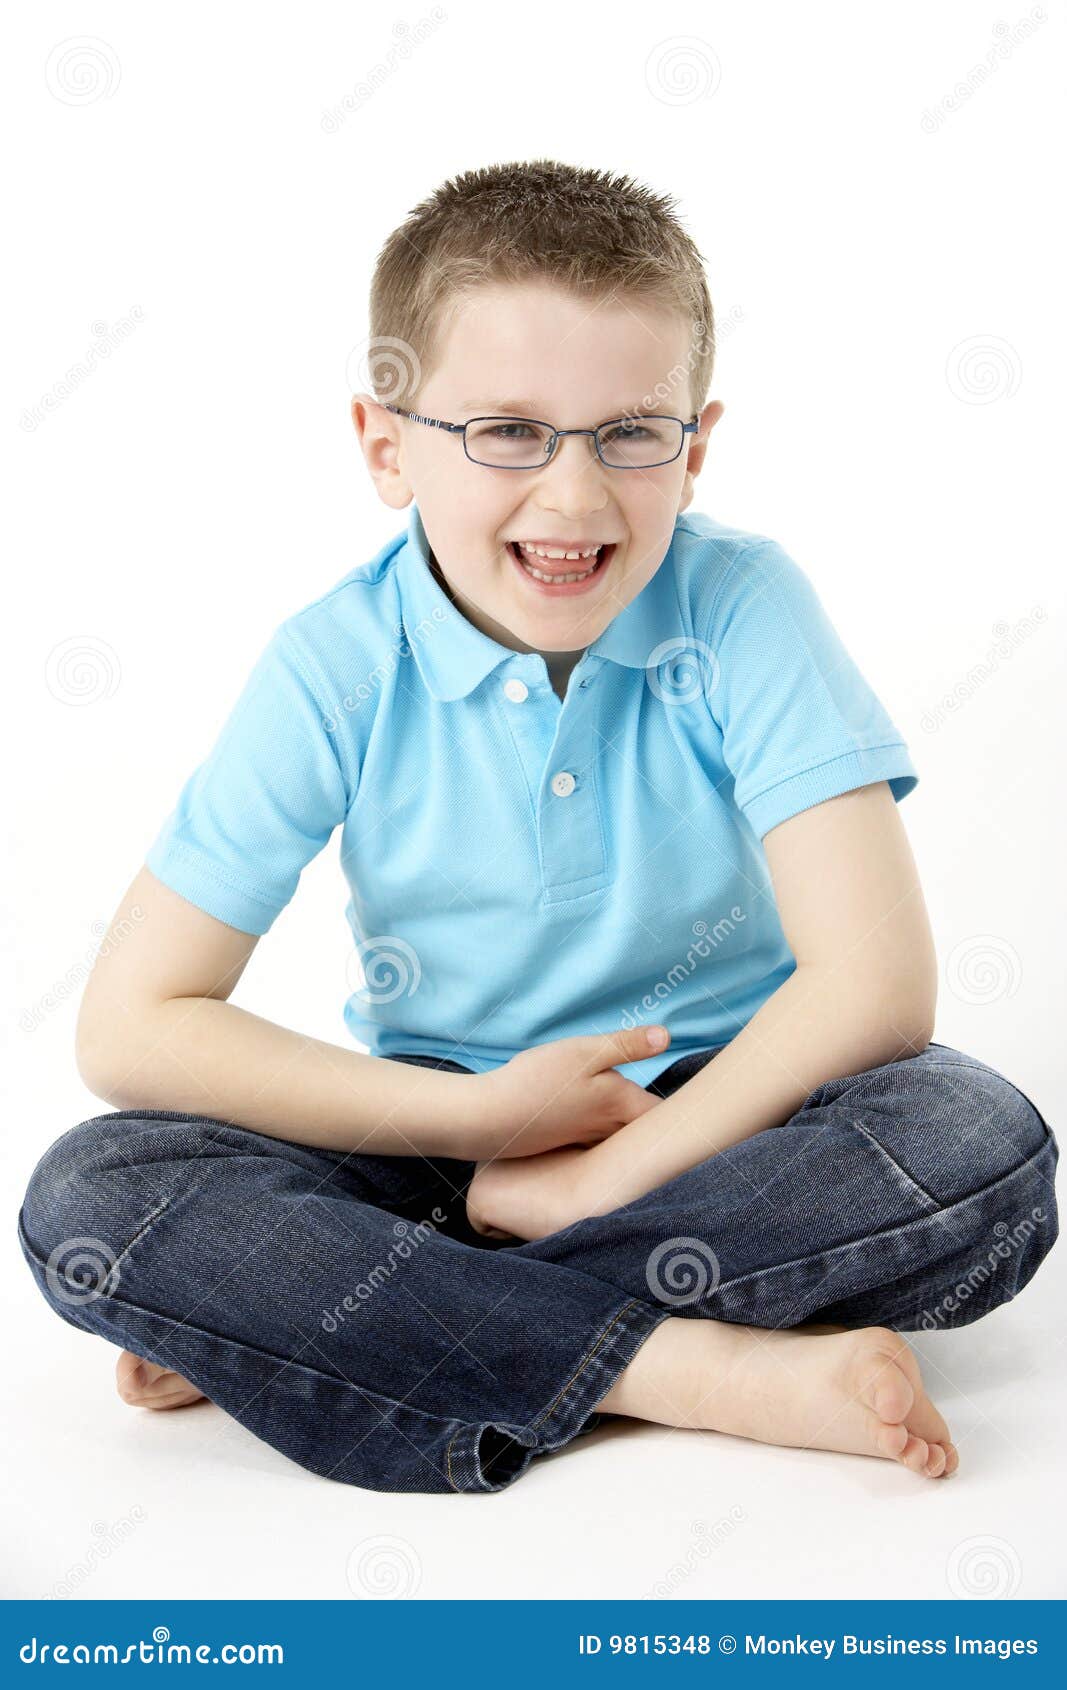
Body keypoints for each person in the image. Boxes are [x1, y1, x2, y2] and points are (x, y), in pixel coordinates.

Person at [17, 160, 1058, 1495]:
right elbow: (133, 1024)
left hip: (721, 1120)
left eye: (632, 432)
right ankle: (683, 1366)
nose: (573, 498)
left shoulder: (742, 604)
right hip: (434, 1136)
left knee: (982, 1146)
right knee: (97, 1197)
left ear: (698, 441)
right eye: (507, 431)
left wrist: (611, 1172)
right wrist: (480, 1118)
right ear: (386, 444)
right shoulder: (335, 661)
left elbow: (874, 981)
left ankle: (347, 1330)